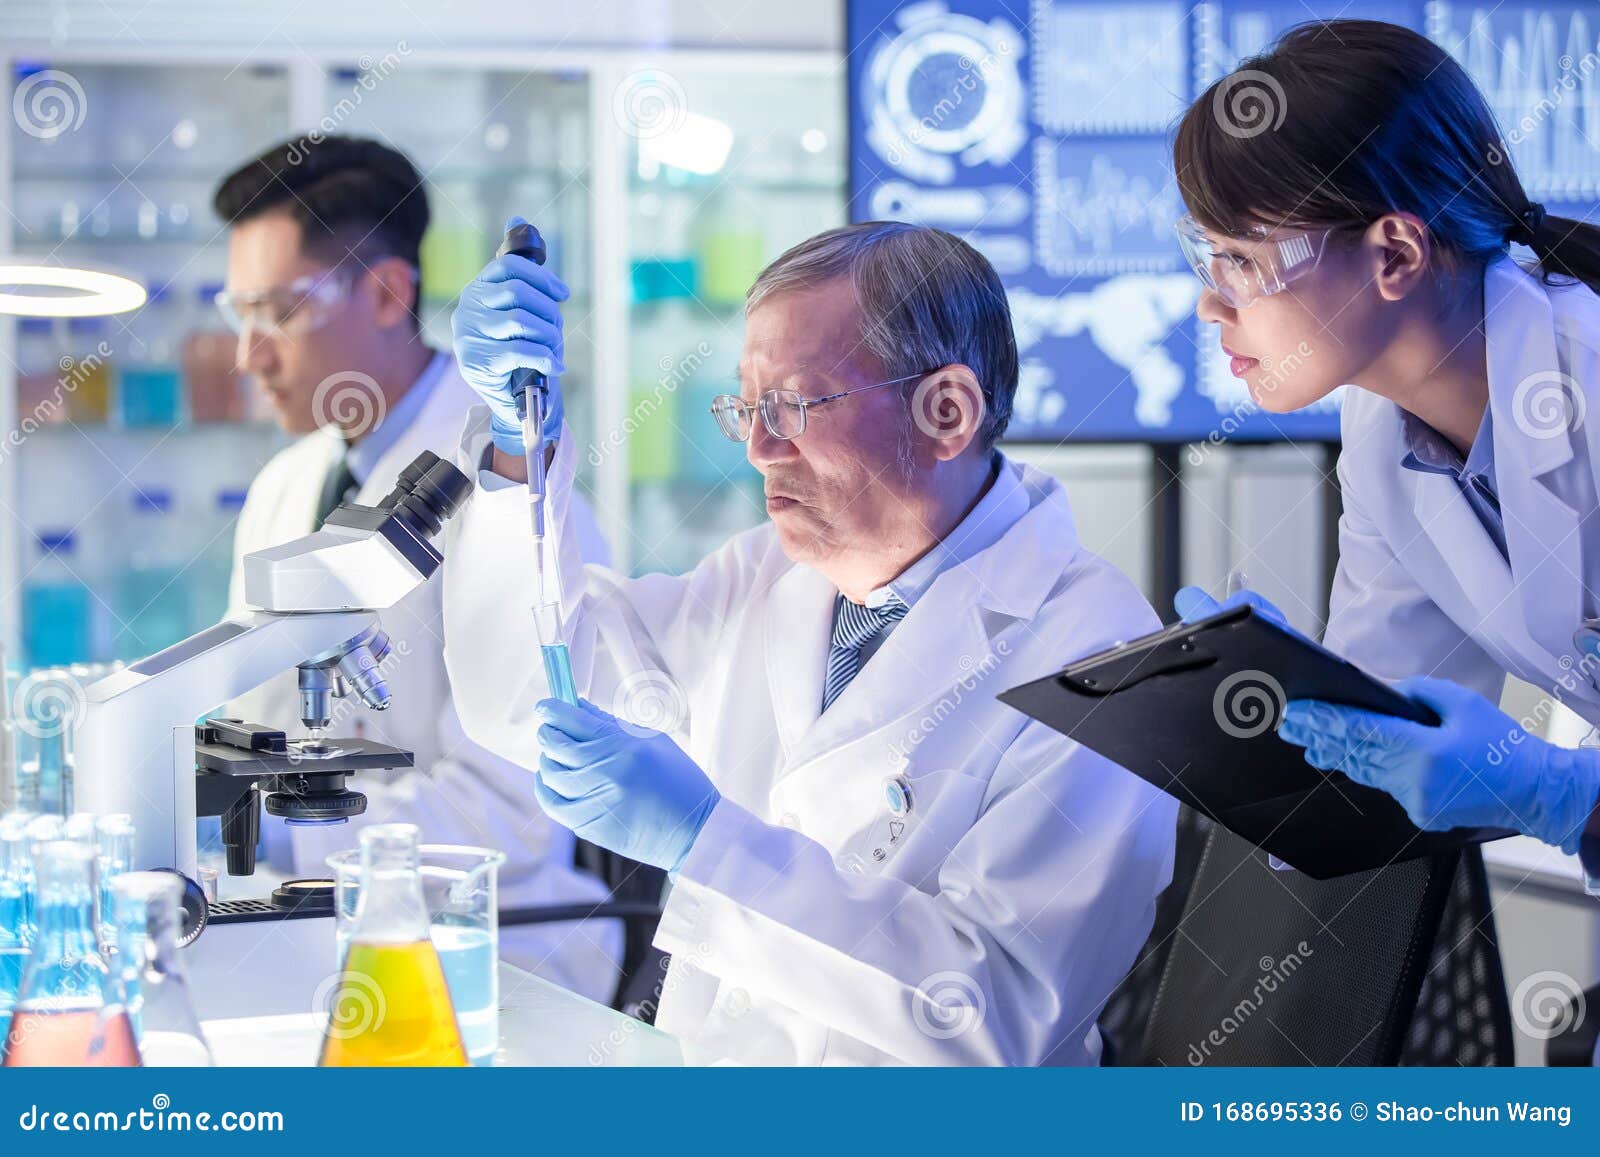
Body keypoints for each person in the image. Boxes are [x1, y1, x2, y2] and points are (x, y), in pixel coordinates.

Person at [442, 219, 1177, 1064]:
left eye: (792, 405)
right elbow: (526, 698)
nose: (757, 448)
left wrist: (706, 842)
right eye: (748, 408)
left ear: (947, 409)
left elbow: (993, 1011)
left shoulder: (1099, 652)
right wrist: (513, 442)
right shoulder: (764, 578)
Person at [1166, 20, 1600, 890]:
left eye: (1244, 261)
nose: (1213, 306)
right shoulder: (1380, 436)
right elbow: (1378, 749)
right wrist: (1295, 703)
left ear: (1394, 252)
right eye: (1208, 257)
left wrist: (1562, 793)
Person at [211, 137, 621, 998]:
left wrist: (275, 842)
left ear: (389, 291)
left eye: (277, 312)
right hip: (313, 928)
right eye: (237, 313)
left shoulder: (520, 495)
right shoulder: (284, 486)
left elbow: (509, 813)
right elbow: (246, 724)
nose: (249, 356)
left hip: (499, 955)